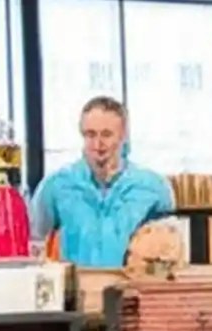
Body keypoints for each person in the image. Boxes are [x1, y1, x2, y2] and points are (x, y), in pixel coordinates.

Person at [29, 96, 174, 267]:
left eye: (106, 134)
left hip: (132, 289)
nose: (98, 144)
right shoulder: (55, 185)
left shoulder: (154, 187)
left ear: (123, 136)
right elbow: (34, 243)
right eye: (90, 134)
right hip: (75, 289)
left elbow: (170, 249)